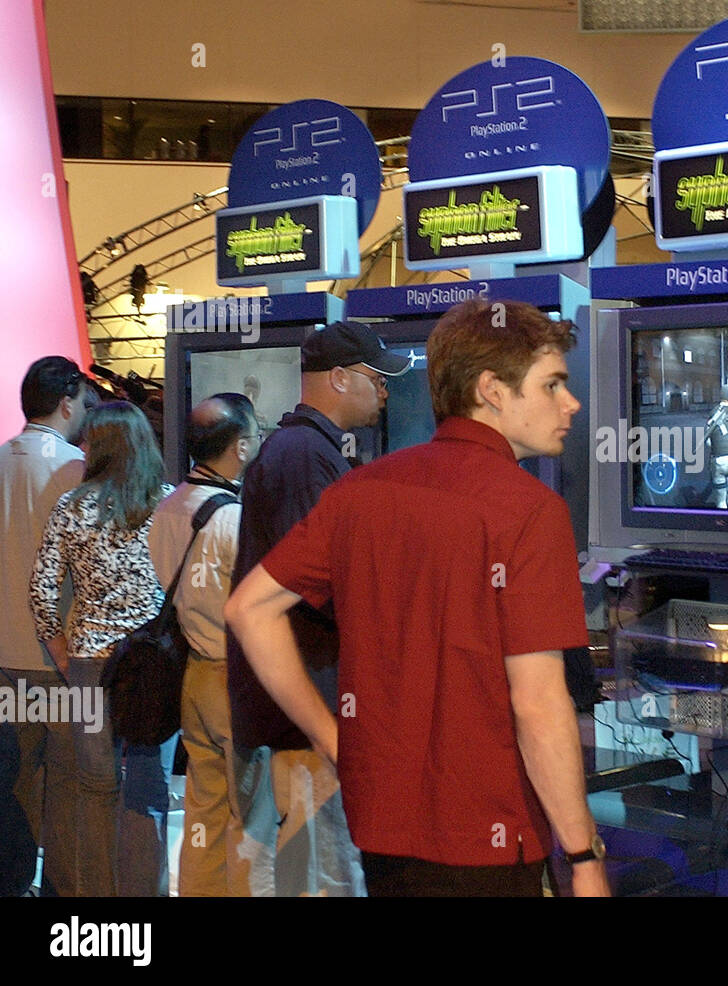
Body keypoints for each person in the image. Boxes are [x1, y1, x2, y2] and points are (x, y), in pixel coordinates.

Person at [226, 299, 610, 897]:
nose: (571, 402)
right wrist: (583, 854)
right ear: (492, 390)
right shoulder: (530, 511)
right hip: (490, 834)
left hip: (381, 827)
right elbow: (538, 705)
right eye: (553, 384)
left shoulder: (361, 491)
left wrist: (332, 738)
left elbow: (248, 609)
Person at [226, 320, 408, 897]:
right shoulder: (306, 456)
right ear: (339, 378)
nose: (385, 392)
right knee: (324, 872)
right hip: (309, 704)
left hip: (304, 699)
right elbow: (320, 582)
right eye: (377, 379)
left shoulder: (302, 449)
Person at [29, 400, 175, 896]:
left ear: (99, 446)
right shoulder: (166, 502)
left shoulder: (71, 508)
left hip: (89, 663)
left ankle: (96, 903)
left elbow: (42, 591)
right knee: (150, 788)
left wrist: (63, 654)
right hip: (152, 663)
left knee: (96, 788)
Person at [149, 394, 259, 895]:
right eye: (254, 434)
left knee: (203, 809)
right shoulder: (233, 519)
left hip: (193, 672)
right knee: (251, 818)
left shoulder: (169, 506)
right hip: (233, 677)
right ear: (238, 446)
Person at [0, 357, 93, 897]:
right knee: (66, 787)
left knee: (14, 786)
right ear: (67, 402)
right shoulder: (76, 468)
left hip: (4, 661)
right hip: (57, 660)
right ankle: (61, 897)